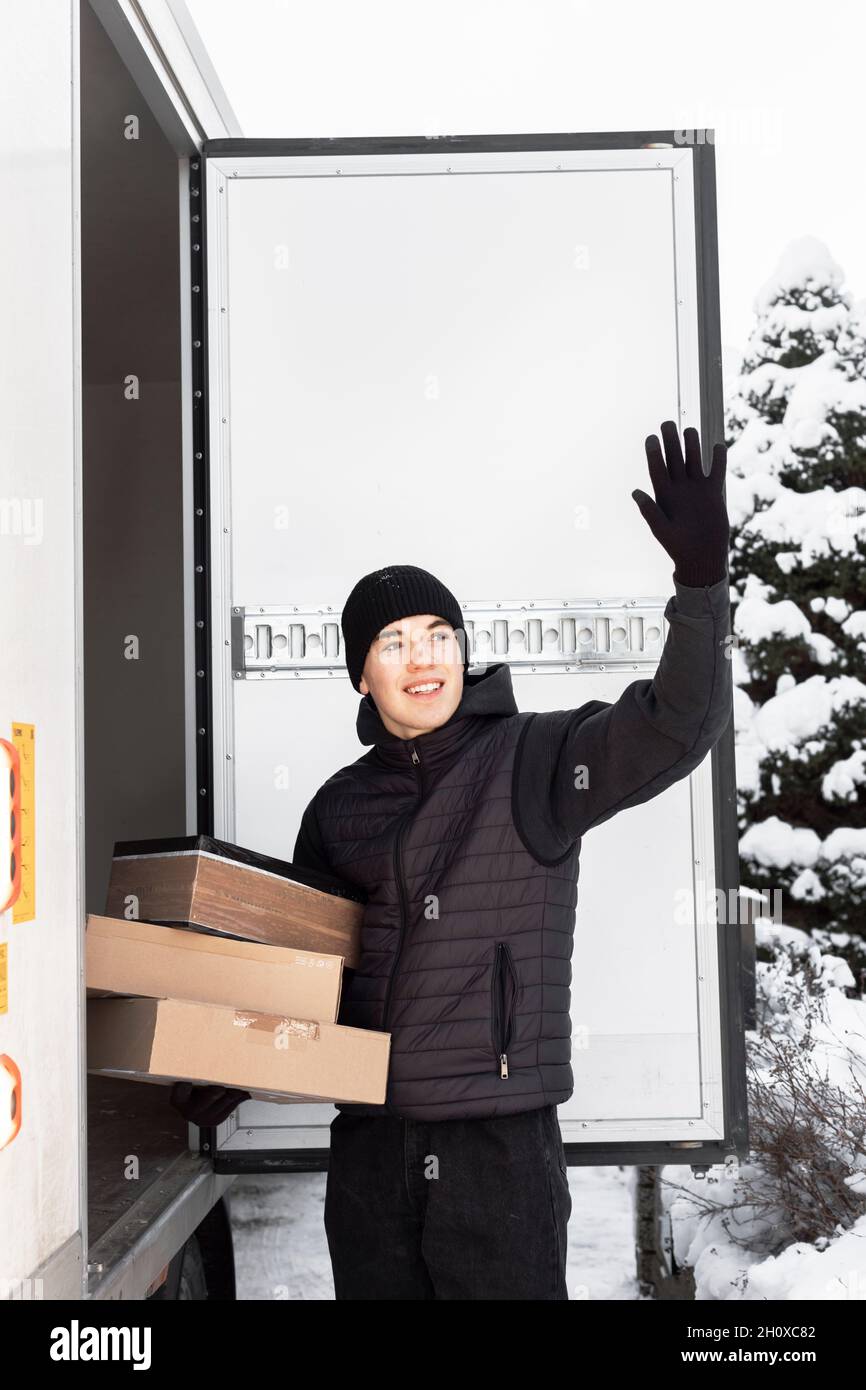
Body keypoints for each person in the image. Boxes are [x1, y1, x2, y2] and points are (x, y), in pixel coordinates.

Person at [174, 420, 733, 1301]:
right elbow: (314, 973)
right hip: (370, 1147)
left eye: (438, 634)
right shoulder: (339, 807)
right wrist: (237, 1061)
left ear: (464, 650)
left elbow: (675, 726)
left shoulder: (539, 760)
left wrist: (699, 585)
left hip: (497, 1150)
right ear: (362, 673)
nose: (422, 658)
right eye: (393, 643)